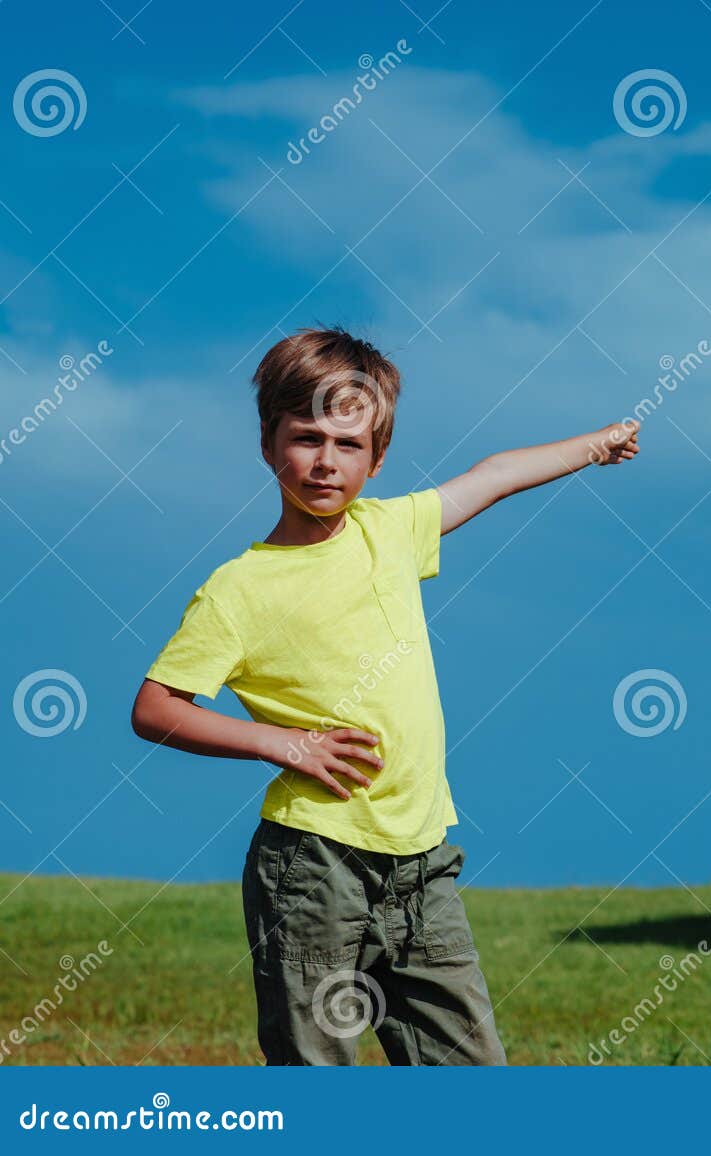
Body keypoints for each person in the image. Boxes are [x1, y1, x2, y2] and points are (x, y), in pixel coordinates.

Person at [129, 326, 640, 1064]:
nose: (324, 462)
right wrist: (285, 744)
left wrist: (595, 445)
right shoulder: (239, 589)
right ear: (269, 444)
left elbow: (495, 475)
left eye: (348, 445)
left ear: (377, 459)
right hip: (312, 869)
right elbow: (156, 708)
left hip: (422, 865)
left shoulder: (389, 531)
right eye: (305, 438)